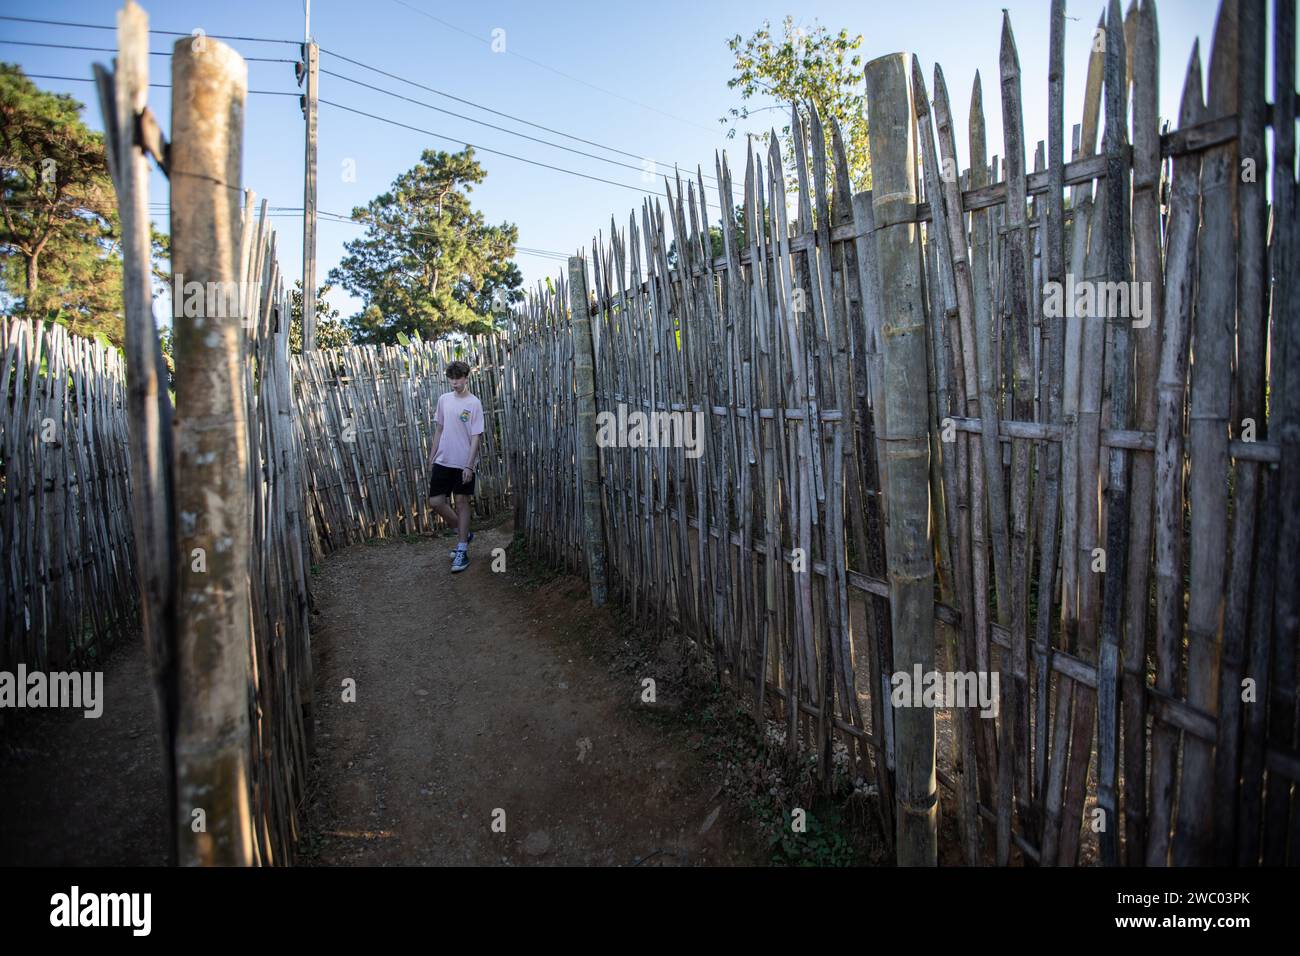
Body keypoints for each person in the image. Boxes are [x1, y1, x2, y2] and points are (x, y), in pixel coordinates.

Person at [427, 360, 483, 572]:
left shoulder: (474, 403)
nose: (454, 383)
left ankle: (462, 549)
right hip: (443, 459)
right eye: (451, 379)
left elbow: (476, 437)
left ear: (466, 378)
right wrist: (432, 456)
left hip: (463, 462)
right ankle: (464, 532)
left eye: (458, 378)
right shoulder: (444, 400)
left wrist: (469, 466)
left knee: (461, 502)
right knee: (435, 501)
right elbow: (439, 429)